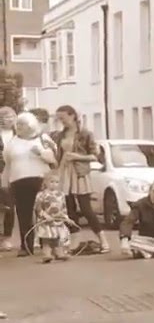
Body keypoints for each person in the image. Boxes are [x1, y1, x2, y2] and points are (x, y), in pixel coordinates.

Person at [51, 105, 109, 253]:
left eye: (63, 118)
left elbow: (94, 156)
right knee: (69, 209)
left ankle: (103, 240)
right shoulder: (60, 135)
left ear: (72, 116)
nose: (61, 121)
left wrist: (76, 156)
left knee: (86, 208)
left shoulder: (85, 134)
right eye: (59, 119)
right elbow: (58, 155)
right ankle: (75, 240)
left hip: (80, 173)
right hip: (65, 173)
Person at [2, 112, 57, 257]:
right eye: (18, 124)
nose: (19, 127)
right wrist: (5, 182)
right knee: (23, 214)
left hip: (40, 179)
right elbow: (8, 163)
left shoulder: (42, 138)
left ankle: (49, 244)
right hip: (18, 181)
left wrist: (40, 153)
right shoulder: (13, 142)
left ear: (31, 125)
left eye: (23, 124)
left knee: (44, 212)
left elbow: (53, 159)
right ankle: (26, 245)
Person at [33, 173, 72, 263]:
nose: (54, 184)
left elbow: (63, 207)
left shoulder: (61, 195)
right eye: (52, 182)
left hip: (58, 220)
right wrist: (45, 216)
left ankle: (59, 253)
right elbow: (38, 208)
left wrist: (66, 217)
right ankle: (47, 254)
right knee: (46, 239)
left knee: (58, 238)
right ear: (46, 182)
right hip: (46, 220)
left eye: (57, 182)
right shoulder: (41, 195)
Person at [0, 106, 17, 252]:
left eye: (12, 116)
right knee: (3, 207)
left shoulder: (20, 133)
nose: (9, 120)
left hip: (16, 173)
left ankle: (7, 237)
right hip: (1, 173)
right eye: (6, 117)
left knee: (11, 207)